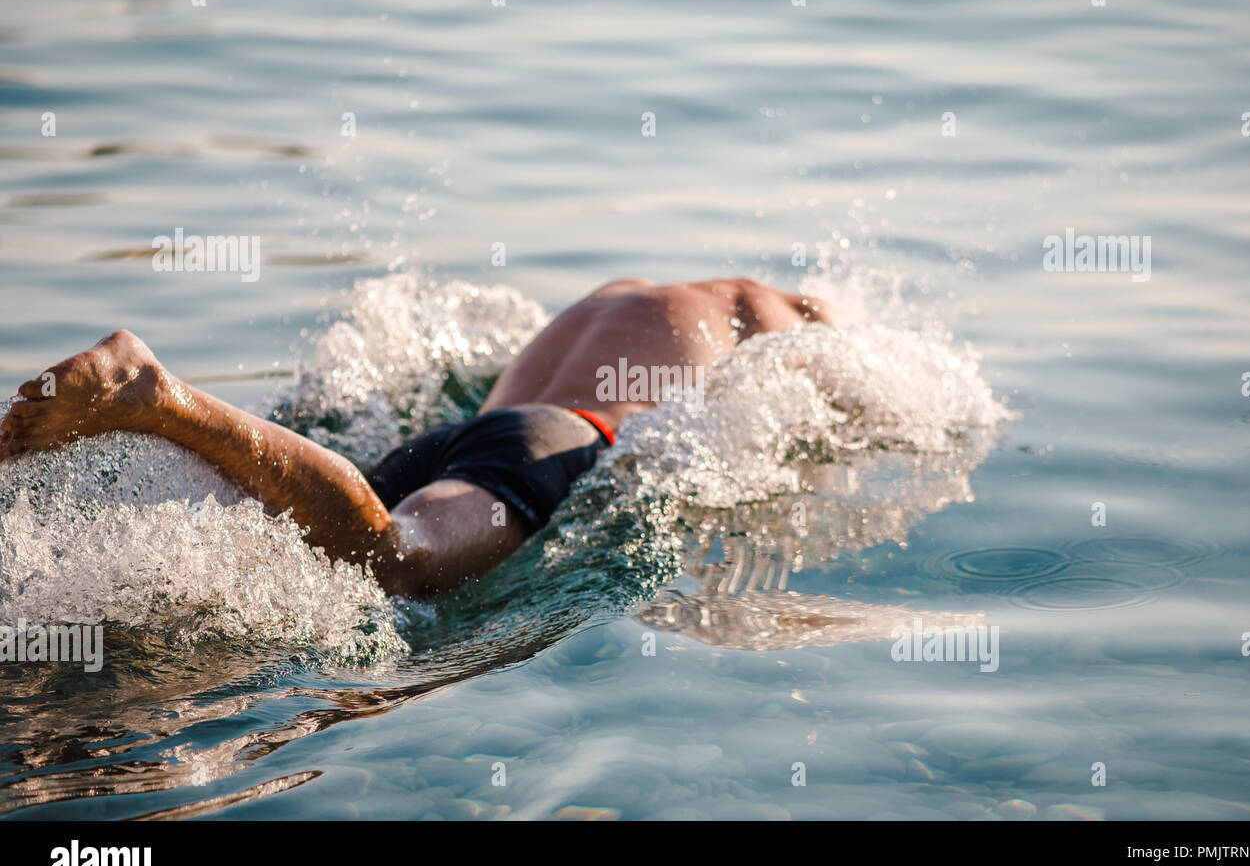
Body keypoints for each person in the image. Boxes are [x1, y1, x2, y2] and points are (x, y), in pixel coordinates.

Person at [0, 278, 832, 597]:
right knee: (396, 564)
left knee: (307, 543)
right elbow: (832, 405)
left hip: (464, 436)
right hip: (557, 443)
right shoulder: (771, 310)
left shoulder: (616, 296)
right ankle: (161, 398)